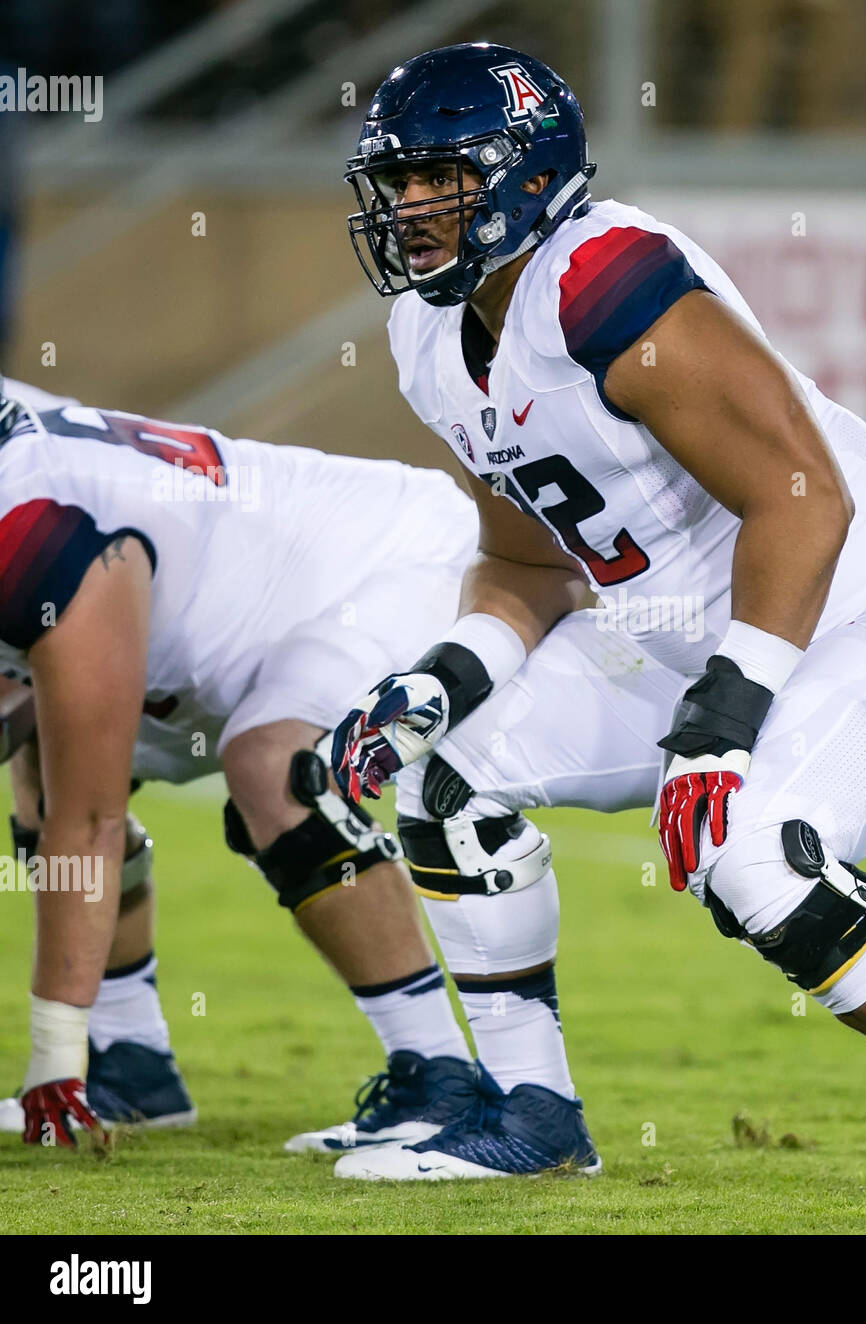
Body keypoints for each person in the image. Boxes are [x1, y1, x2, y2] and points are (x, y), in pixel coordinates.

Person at [328, 42, 866, 1206]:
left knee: (745, 853)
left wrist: (724, 716)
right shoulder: (430, 338)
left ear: (523, 170)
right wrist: (442, 678)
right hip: (686, 639)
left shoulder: (603, 279)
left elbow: (805, 495)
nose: (409, 207)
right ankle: (534, 1113)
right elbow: (526, 557)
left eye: (440, 177)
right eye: (396, 183)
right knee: (446, 780)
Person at [0, 380, 577, 1162]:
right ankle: (130, 1063)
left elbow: (93, 819)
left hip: (377, 564)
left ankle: (437, 1075)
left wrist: (50, 1042)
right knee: (41, 762)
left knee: (271, 766)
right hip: (210, 620)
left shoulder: (36, 523)